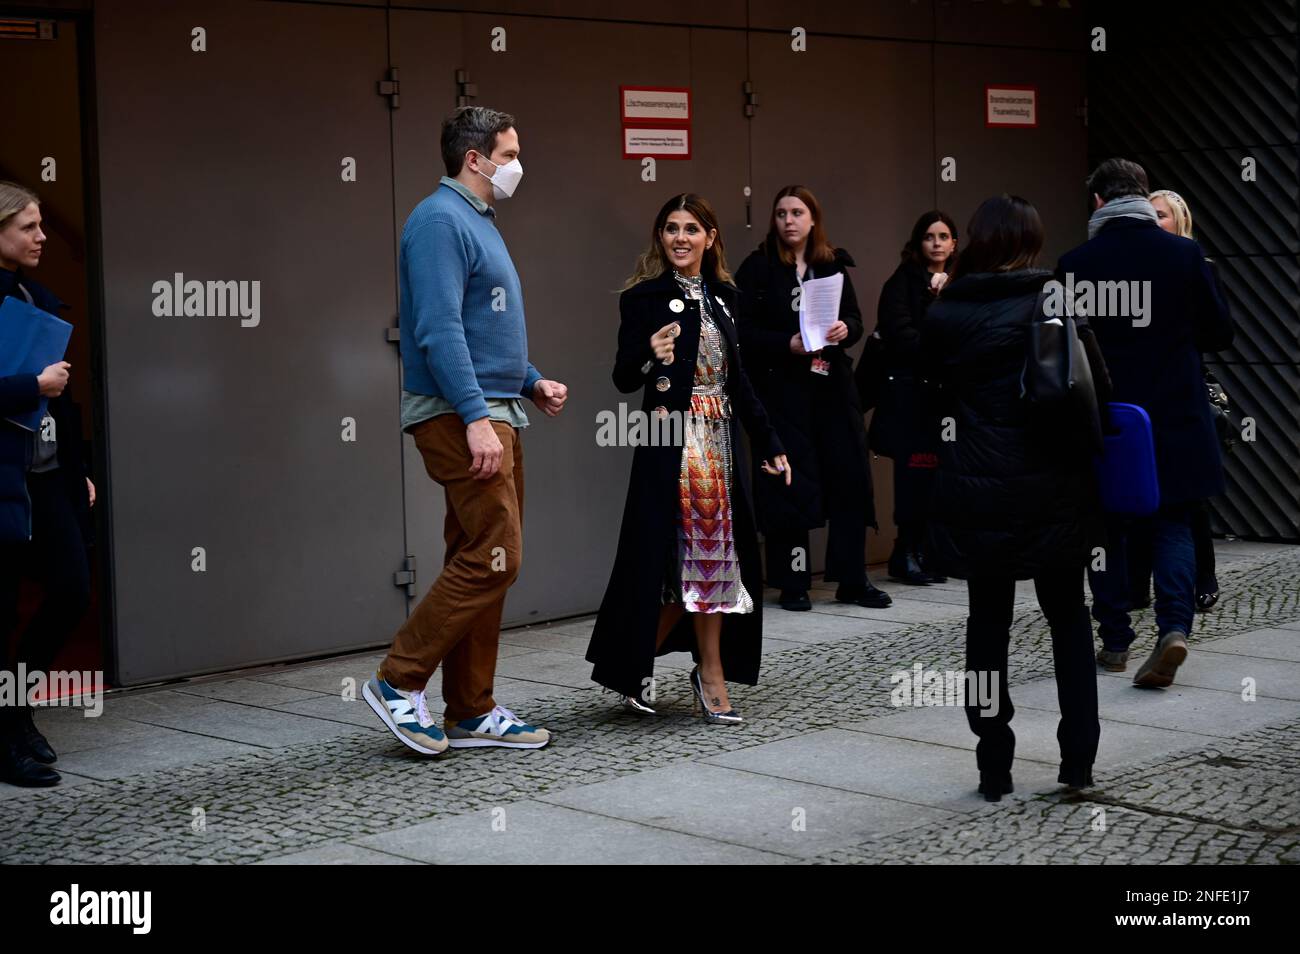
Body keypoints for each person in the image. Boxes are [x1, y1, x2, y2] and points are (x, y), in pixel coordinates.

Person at [363, 107, 568, 755]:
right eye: (509, 153)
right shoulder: (437, 221)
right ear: (474, 159)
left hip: (496, 409)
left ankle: (471, 709)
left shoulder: (475, 222)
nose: (517, 165)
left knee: (480, 556)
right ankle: (399, 681)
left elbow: (483, 326)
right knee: (494, 553)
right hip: (463, 415)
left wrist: (531, 380)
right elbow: (438, 328)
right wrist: (477, 417)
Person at [921, 194, 1105, 799]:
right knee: (1069, 618)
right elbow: (1095, 385)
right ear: (1030, 241)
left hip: (979, 489)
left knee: (987, 622)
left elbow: (927, 394)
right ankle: (1077, 758)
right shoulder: (1054, 300)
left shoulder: (946, 313)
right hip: (1052, 486)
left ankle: (992, 762)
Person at [587, 193, 790, 723]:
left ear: (710, 237)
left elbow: (738, 380)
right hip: (671, 448)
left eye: (691, 229)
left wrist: (769, 443)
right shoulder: (643, 298)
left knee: (715, 560)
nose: (680, 237)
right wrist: (648, 352)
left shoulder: (725, 297)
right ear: (661, 238)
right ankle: (636, 663)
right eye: (671, 228)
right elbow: (623, 377)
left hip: (719, 449)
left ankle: (709, 669)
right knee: (670, 562)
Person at [1059, 159, 1233, 688]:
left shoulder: (1075, 263)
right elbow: (1220, 332)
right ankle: (1174, 627)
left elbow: (1063, 348)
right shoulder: (1182, 254)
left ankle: (1113, 641)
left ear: (1097, 203)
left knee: (1105, 528)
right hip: (1175, 414)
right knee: (1173, 522)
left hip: (1106, 417)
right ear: (1141, 195)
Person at [734, 186, 890, 612]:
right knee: (788, 481)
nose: (789, 220)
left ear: (812, 218)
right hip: (783, 392)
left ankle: (853, 579)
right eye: (781, 212)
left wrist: (846, 330)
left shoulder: (831, 264)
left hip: (833, 387)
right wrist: (785, 343)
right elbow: (741, 333)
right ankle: (793, 583)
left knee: (849, 476)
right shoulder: (758, 267)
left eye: (797, 212)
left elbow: (856, 320)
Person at [0, 182, 96, 788]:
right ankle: (5, 734)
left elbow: (64, 395)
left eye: (40, 224)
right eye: (29, 227)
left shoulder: (33, 296)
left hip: (48, 478)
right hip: (4, 479)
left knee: (71, 591)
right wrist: (31, 387)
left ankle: (13, 708)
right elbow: (36, 386)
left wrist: (76, 465)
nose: (41, 237)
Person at [1125, 189, 1225, 613]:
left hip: (1182, 391)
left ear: (1179, 221)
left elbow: (1216, 330)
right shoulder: (1131, 268)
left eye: (1161, 215)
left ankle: (1203, 576)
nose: (1154, 221)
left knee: (1188, 498)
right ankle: (1139, 582)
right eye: (1149, 214)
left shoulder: (1195, 264)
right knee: (1143, 496)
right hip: (1142, 395)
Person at [870, 211, 958, 585]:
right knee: (913, 476)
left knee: (939, 476)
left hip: (947, 396)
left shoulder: (961, 283)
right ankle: (904, 552)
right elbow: (902, 336)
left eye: (944, 236)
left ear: (954, 243)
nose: (936, 243)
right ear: (917, 243)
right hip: (910, 396)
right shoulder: (902, 283)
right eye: (929, 236)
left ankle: (927, 551)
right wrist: (934, 302)